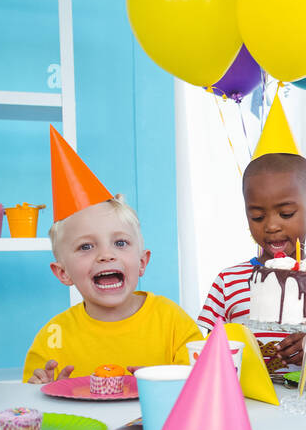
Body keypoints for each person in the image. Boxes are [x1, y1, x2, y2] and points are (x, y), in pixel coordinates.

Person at [24, 133, 202, 380]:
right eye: (86, 247)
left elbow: (199, 385)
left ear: (142, 262)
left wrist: (161, 383)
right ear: (63, 273)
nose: (106, 255)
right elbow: (31, 404)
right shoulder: (53, 336)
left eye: (120, 243)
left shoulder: (173, 322)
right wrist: (45, 391)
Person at [197, 152, 306, 372]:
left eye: (286, 214)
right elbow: (207, 351)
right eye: (258, 217)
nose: (271, 226)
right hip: (248, 403)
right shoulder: (228, 282)